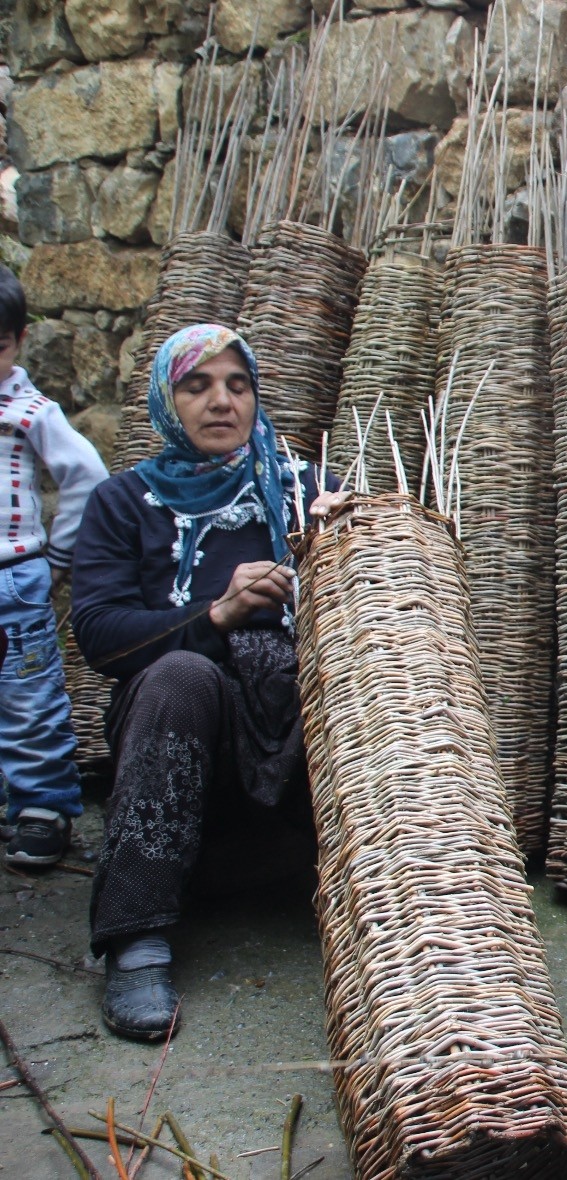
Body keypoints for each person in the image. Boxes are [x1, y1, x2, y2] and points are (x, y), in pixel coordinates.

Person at [70, 324, 346, 1041]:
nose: (221, 401)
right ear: (167, 401)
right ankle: (138, 937)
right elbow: (100, 634)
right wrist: (215, 613)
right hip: (187, 741)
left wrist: (347, 544)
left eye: (237, 384)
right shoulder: (122, 503)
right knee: (183, 675)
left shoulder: (305, 492)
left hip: (297, 746)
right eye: (197, 385)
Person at [0, 265, 109, 868]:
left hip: (12, 577)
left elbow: (87, 478)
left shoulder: (28, 412)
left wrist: (58, 557)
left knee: (27, 692)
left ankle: (41, 805)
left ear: (17, 341)